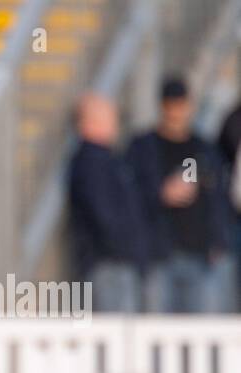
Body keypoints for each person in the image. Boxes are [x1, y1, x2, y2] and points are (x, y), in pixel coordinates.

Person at [126, 77, 233, 314]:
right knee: (156, 333)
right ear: (162, 106)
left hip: (200, 256)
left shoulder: (204, 149)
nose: (176, 112)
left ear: (189, 106)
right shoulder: (143, 147)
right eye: (171, 105)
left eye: (181, 104)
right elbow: (128, 196)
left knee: (200, 336)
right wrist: (160, 193)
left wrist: (218, 240)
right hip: (159, 255)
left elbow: (218, 198)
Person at [68, 93, 148, 312]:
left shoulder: (106, 160)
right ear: (90, 122)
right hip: (108, 263)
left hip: (115, 261)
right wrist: (126, 248)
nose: (115, 124)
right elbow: (103, 214)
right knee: (115, 333)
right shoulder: (91, 163)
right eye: (109, 117)